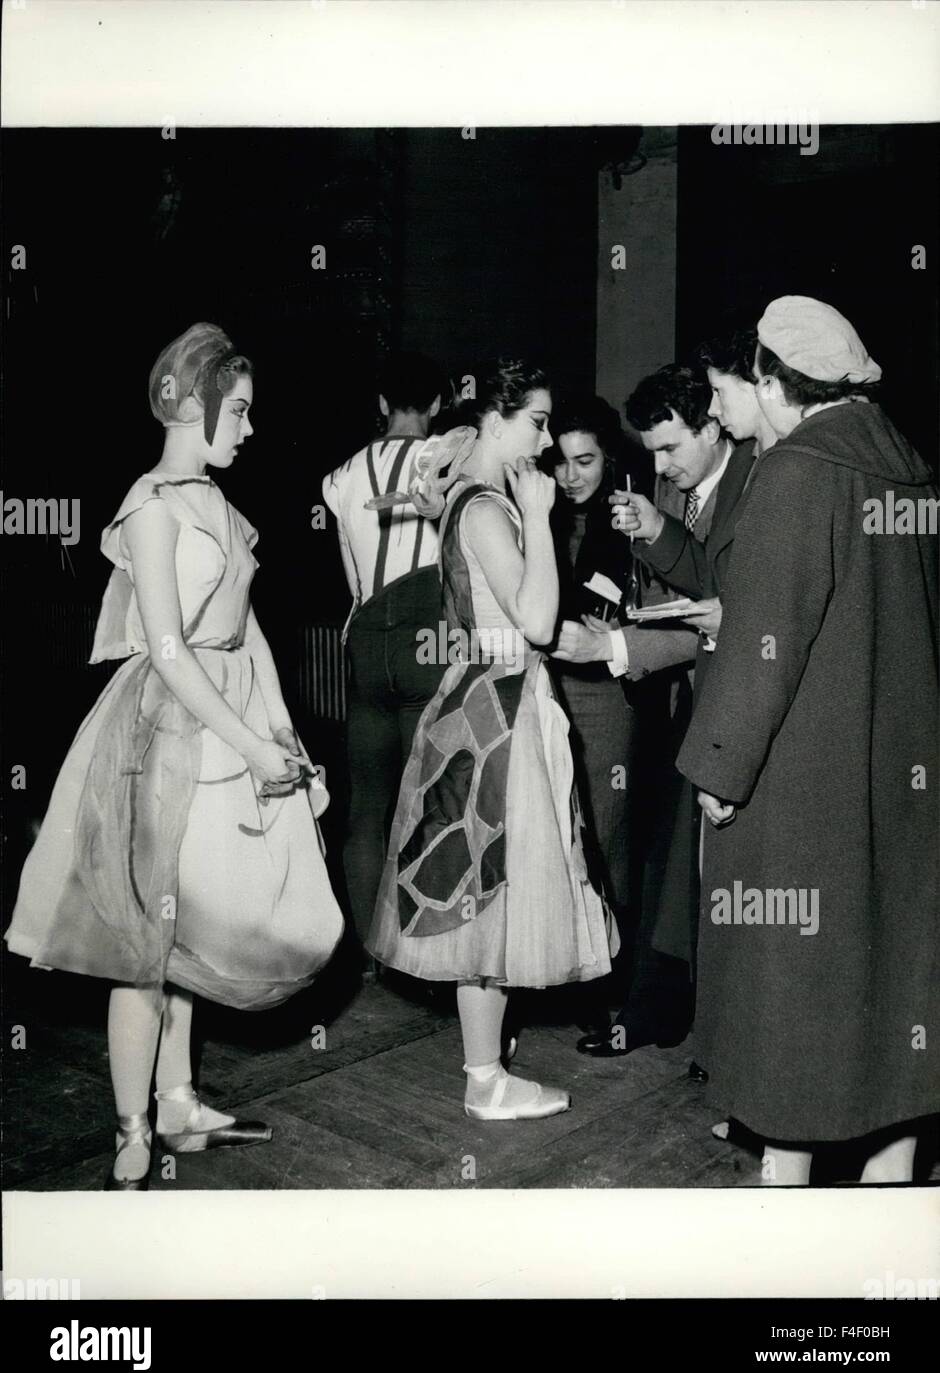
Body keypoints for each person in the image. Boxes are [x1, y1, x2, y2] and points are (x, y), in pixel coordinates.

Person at [6, 322, 344, 1189]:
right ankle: (131, 1129)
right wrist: (242, 739)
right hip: (163, 729)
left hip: (229, 713)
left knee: (194, 918)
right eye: (238, 410)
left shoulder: (224, 510)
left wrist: (283, 741)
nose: (250, 426)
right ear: (189, 404)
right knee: (142, 941)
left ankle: (182, 1101)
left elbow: (250, 636)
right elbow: (165, 647)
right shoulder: (150, 508)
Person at [678, 296, 939, 1183]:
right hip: (906, 786)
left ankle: (788, 1235)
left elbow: (766, 641)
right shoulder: (915, 476)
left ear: (777, 385)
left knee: (794, 1022)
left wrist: (719, 767)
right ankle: (889, 1204)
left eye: (744, 385)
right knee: (894, 1003)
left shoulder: (798, 473)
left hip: (805, 790)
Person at [367, 358, 618, 1119]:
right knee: (487, 890)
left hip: (485, 695)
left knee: (483, 894)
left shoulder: (469, 495)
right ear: (499, 419)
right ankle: (485, 1081)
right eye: (537, 423)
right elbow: (537, 623)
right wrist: (539, 518)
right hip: (499, 708)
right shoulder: (486, 508)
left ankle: (486, 1072)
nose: (544, 445)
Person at [575, 363, 753, 1059]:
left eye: (672, 447)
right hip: (681, 703)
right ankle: (665, 1014)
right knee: (669, 868)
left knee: (708, 878)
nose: (659, 463)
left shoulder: (757, 481)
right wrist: (650, 533)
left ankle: (705, 1032)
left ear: (713, 425)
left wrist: (618, 644)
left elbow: (724, 606)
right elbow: (684, 593)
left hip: (729, 700)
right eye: (650, 450)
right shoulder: (673, 484)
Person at [322, 352, 449, 963]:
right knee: (429, 797)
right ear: (437, 405)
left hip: (368, 636)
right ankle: (423, 948)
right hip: (433, 633)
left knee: (366, 806)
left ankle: (372, 952)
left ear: (380, 406)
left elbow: (353, 580)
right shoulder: (446, 457)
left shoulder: (340, 476)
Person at [545, 395, 654, 1007]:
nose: (571, 476)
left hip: (608, 693)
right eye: (560, 462)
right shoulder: (539, 513)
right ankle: (567, 969)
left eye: (584, 460)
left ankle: (611, 988)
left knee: (608, 835)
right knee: (556, 830)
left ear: (609, 458)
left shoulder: (634, 514)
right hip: (545, 684)